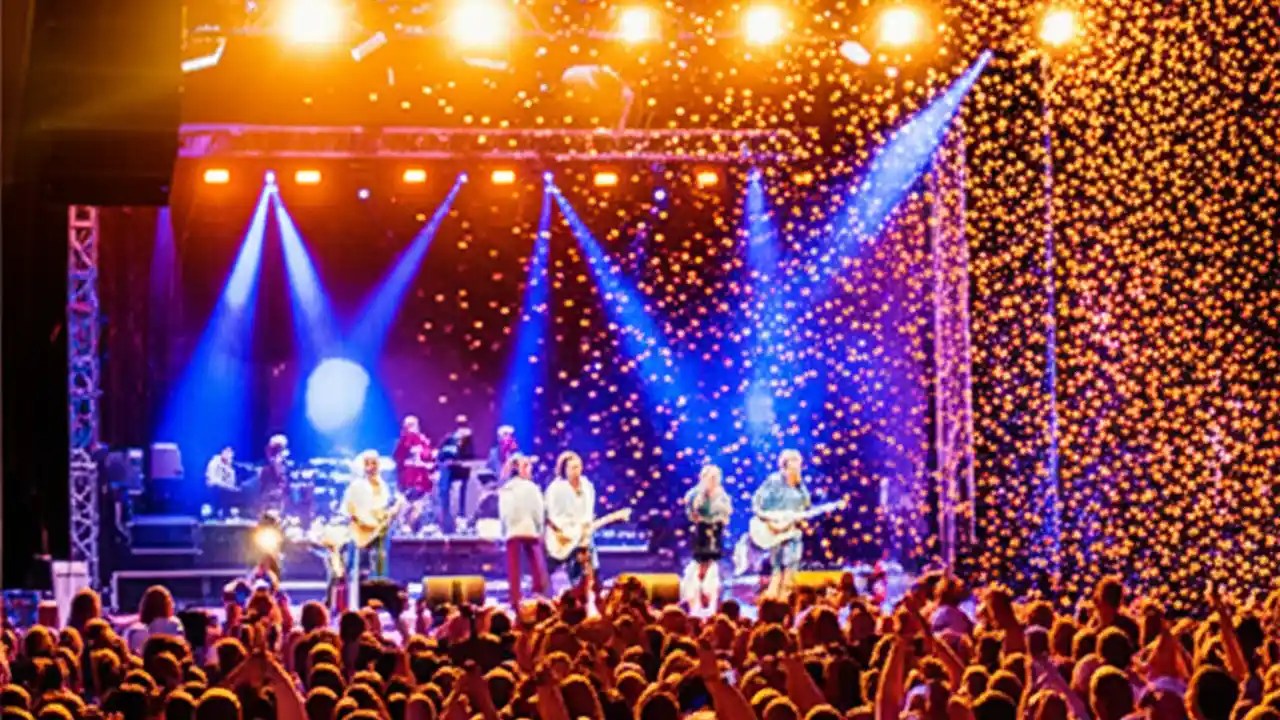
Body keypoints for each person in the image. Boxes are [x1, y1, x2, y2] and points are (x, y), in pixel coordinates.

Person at [752, 448, 812, 599]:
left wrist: (799, 486)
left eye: (798, 465)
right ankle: (773, 599)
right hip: (776, 530)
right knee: (777, 568)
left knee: (792, 564)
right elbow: (758, 504)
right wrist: (770, 521)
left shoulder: (799, 485)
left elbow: (806, 505)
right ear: (784, 466)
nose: (796, 469)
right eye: (793, 466)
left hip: (792, 530)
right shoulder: (774, 481)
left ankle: (787, 597)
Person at [544, 450, 597, 600]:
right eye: (573, 468)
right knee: (556, 568)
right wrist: (564, 531)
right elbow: (551, 513)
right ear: (564, 470)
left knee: (588, 568)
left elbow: (589, 510)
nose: (577, 471)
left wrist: (584, 528)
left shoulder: (587, 486)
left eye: (578, 467)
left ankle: (585, 596)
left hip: (583, 534)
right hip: (562, 535)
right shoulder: (555, 489)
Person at [681, 464, 732, 617]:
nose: (715, 480)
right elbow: (691, 512)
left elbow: (727, 511)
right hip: (702, 530)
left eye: (717, 477)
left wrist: (721, 520)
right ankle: (698, 589)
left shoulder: (722, 494)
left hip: (716, 530)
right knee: (701, 561)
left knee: (712, 561)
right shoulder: (696, 494)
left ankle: (708, 591)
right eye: (712, 477)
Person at [498, 453, 549, 606]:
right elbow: (538, 510)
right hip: (529, 529)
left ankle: (515, 597)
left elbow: (503, 513)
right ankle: (539, 594)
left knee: (514, 567)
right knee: (536, 565)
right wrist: (540, 530)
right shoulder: (531, 488)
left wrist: (504, 530)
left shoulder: (505, 489)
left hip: (512, 531)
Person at [342, 451, 396, 581]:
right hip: (360, 530)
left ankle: (379, 584)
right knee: (355, 564)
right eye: (368, 464)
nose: (372, 467)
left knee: (380, 561)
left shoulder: (383, 486)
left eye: (374, 463)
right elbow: (349, 509)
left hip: (379, 531)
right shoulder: (356, 486)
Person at [393, 415, 434, 530]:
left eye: (411, 425)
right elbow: (398, 457)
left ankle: (415, 529)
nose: (409, 428)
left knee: (419, 508)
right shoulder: (403, 441)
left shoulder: (423, 440)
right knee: (406, 507)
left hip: (422, 482)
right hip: (407, 482)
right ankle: (405, 529)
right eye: (406, 425)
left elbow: (429, 457)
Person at [437, 415, 475, 534]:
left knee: (462, 495)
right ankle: (445, 517)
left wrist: (460, 460)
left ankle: (461, 517)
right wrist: (446, 461)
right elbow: (441, 453)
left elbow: (470, 455)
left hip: (462, 473)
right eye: (459, 424)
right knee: (445, 490)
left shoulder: (469, 439)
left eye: (463, 424)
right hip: (449, 473)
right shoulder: (449, 438)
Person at [256, 434, 291, 516]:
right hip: (269, 499)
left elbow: (283, 481)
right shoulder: (266, 469)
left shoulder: (282, 464)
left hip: (278, 498)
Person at [204, 446, 238, 515]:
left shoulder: (231, 468)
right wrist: (226, 486)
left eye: (231, 452)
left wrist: (232, 488)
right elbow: (212, 480)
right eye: (227, 451)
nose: (229, 454)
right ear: (222, 452)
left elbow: (232, 483)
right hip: (214, 489)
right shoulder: (214, 462)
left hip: (226, 490)